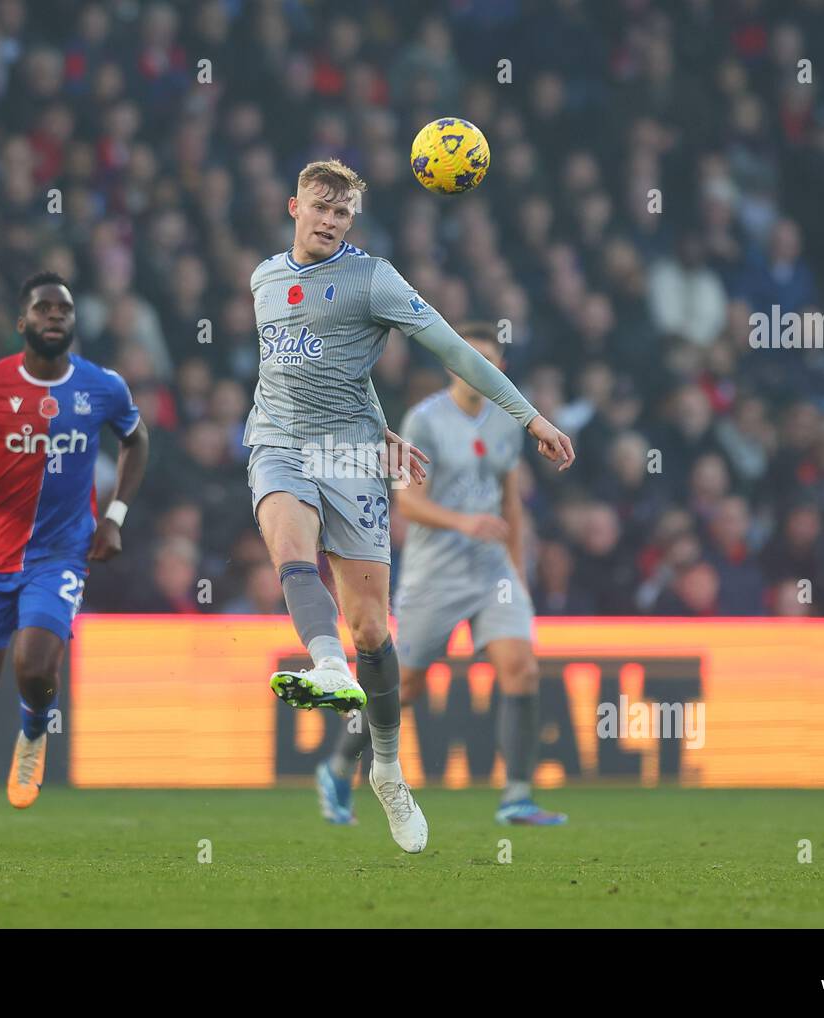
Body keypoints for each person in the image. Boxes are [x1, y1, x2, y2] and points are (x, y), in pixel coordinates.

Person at [246, 160, 574, 852]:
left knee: (373, 631)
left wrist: (530, 419)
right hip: (278, 444)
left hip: (355, 460)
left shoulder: (375, 279)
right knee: (291, 550)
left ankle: (387, 772)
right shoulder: (263, 279)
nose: (331, 221)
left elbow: (455, 351)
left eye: (343, 213)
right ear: (293, 207)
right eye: (320, 208)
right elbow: (302, 371)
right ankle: (325, 664)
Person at [0, 272, 149, 851]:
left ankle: (31, 733)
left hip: (60, 554)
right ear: (22, 323)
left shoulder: (103, 387)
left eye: (64, 309)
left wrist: (116, 515)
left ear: (73, 323)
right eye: (43, 308)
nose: (55, 316)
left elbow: (137, 438)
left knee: (35, 668)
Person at [318, 324, 567, 826]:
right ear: (453, 366)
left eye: (491, 361)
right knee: (402, 687)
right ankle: (340, 766)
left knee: (520, 666)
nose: (482, 369)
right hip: (435, 574)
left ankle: (517, 796)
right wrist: (463, 523)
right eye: (472, 359)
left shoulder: (504, 422)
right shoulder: (425, 420)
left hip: (491, 572)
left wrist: (516, 574)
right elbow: (406, 499)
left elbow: (509, 501)